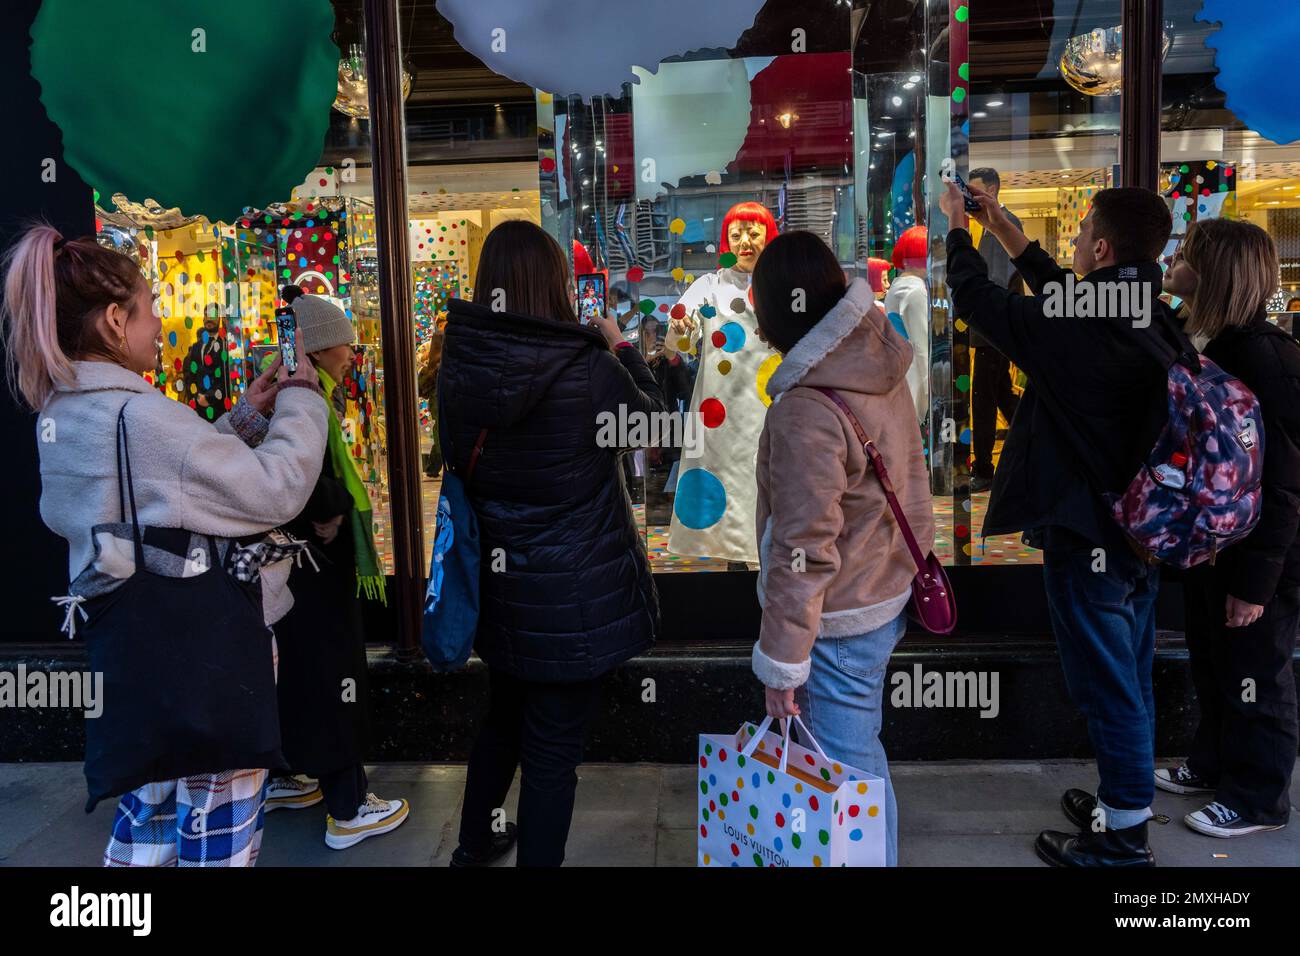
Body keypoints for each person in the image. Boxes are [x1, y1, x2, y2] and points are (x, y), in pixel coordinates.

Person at [2, 223, 328, 866]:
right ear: (116, 321)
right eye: (152, 310)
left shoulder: (62, 414)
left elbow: (156, 491)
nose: (159, 323)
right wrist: (298, 400)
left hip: (133, 651)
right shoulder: (144, 416)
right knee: (218, 816)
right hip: (205, 649)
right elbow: (277, 488)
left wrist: (238, 420)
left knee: (147, 812)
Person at [941, 182, 1180, 866]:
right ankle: (1123, 798)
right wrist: (1005, 230)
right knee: (1127, 676)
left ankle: (1125, 842)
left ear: (1102, 249)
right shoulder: (1144, 310)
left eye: (1081, 239)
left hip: (1090, 535)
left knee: (1110, 688)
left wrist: (959, 230)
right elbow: (1058, 289)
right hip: (1138, 534)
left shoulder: (1082, 325)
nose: (1073, 249)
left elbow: (979, 302)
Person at [438, 220, 666, 866]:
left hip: (500, 593)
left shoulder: (458, 369)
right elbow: (655, 427)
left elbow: (451, 459)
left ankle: (473, 846)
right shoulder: (588, 368)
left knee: (502, 724)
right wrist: (623, 347)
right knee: (551, 756)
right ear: (555, 285)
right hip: (574, 604)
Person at [749, 231, 935, 868]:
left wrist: (782, 663)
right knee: (860, 754)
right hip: (882, 590)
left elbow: (804, 549)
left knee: (846, 771)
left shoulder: (807, 404)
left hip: (836, 618)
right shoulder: (874, 363)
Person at [1159, 219, 1300, 839]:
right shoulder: (1205, 340)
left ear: (1213, 270)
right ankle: (1215, 764)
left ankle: (1259, 796)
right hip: (1213, 546)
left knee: (1256, 671)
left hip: (1257, 556)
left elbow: (1288, 480)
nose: (1172, 259)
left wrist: (1258, 579)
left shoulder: (1266, 355)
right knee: (1215, 660)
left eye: (1186, 254)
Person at [263, 286, 410, 850]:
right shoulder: (306, 401)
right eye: (343, 342)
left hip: (291, 566)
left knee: (301, 673)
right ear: (319, 348)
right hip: (314, 565)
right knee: (333, 674)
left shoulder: (294, 394)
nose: (352, 352)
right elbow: (303, 480)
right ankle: (348, 807)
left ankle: (291, 775)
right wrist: (341, 505)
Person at [664, 200, 780, 564]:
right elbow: (678, 339)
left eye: (753, 232)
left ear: (768, 236)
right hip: (723, 418)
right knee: (730, 499)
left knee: (772, 492)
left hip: (772, 411)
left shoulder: (780, 286)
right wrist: (682, 325)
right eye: (736, 234)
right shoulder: (709, 286)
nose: (745, 241)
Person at [966, 168, 1024, 493]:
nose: (970, 199)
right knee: (999, 392)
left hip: (995, 325)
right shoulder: (988, 227)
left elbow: (998, 282)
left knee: (984, 395)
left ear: (993, 190)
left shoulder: (1004, 224)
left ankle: (984, 468)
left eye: (976, 192)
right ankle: (1036, 443)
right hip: (994, 325)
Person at [881, 226, 930, 427]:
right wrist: (931, 389)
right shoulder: (915, 291)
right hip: (914, 382)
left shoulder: (899, 287)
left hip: (902, 378)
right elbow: (922, 347)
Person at [179, 303, 230, 421]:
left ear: (219, 318)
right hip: (198, 410)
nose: (208, 319)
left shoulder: (225, 347)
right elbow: (191, 375)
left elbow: (225, 377)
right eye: (206, 315)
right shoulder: (197, 347)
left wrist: (210, 398)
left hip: (219, 409)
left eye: (212, 316)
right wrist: (195, 397)